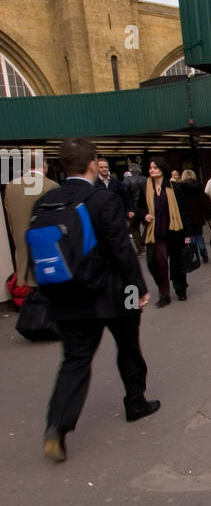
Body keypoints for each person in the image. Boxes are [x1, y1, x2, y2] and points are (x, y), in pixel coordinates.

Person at [37, 137, 159, 461]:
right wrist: (139, 288)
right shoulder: (103, 200)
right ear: (93, 163)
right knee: (129, 348)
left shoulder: (46, 202)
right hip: (117, 293)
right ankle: (136, 403)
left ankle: (57, 426)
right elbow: (122, 250)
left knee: (75, 361)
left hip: (68, 297)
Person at [2, 153, 59, 289]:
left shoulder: (10, 187)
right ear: (44, 165)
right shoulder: (52, 186)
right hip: (48, 260)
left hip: (23, 261)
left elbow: (11, 224)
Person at [143, 156, 190, 306]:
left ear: (162, 169)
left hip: (174, 231)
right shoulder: (146, 187)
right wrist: (145, 215)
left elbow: (183, 211)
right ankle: (164, 294)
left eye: (155, 167)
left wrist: (187, 234)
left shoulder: (174, 187)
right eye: (150, 168)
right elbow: (140, 207)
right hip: (156, 233)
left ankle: (180, 289)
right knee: (157, 264)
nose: (152, 170)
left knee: (177, 262)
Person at [178, 169, 209, 263]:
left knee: (190, 235)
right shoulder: (199, 186)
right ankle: (203, 253)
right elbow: (204, 200)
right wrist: (208, 214)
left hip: (186, 216)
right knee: (199, 235)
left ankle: (193, 254)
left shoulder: (180, 187)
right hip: (198, 215)